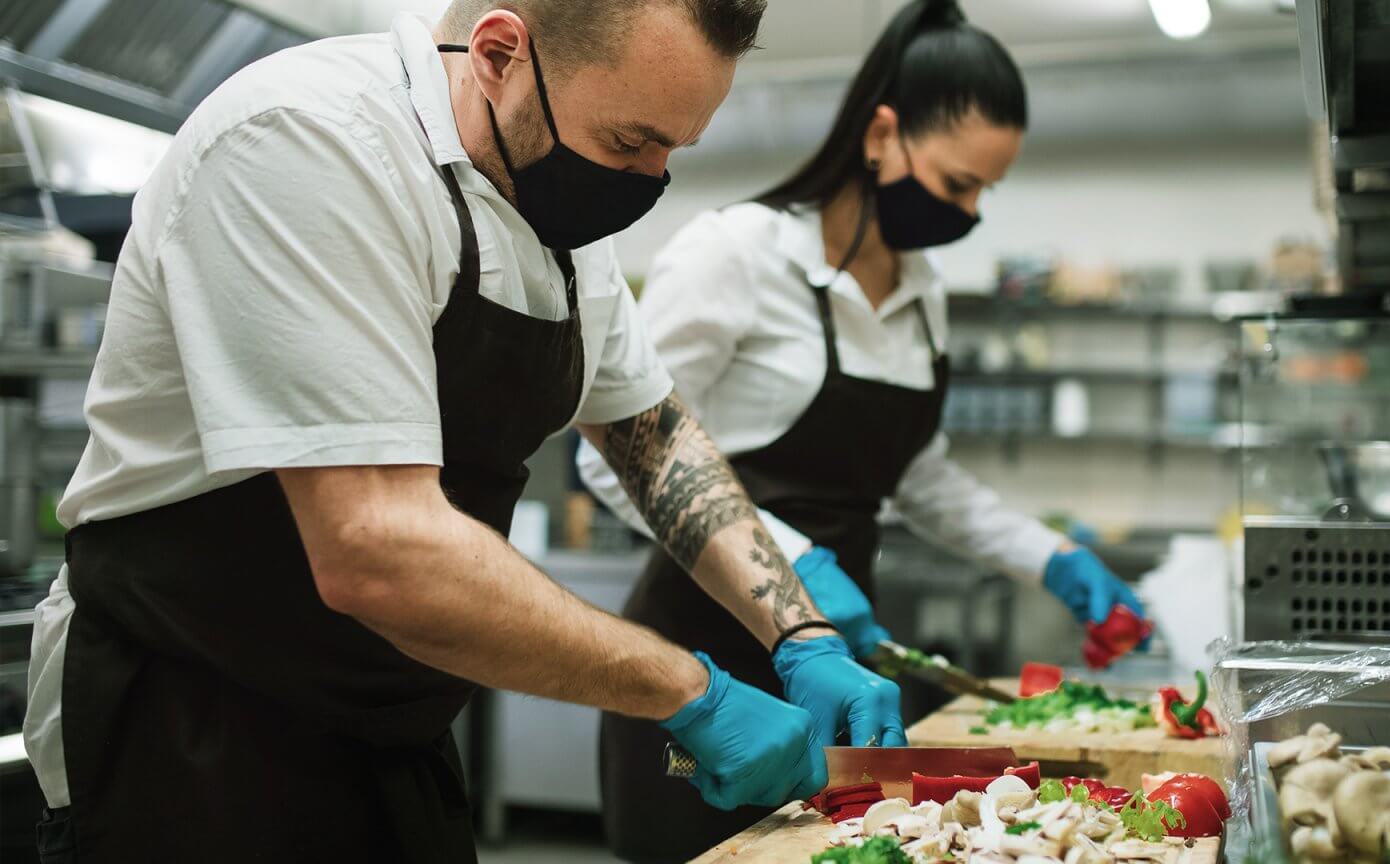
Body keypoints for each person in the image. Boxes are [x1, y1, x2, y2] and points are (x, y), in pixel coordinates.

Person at [21, 1, 904, 861]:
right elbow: (379, 547)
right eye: (631, 141)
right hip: (185, 726)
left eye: (674, 149)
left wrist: (800, 633)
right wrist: (692, 692)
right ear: (496, 53)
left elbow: (653, 437)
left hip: (387, 723)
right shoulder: (309, 140)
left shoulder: (552, 208)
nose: (648, 178)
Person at [579, 0, 1149, 859]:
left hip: (841, 670)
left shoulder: (923, 301)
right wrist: (795, 563)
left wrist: (1055, 559)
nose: (969, 210)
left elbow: (921, 479)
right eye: (958, 184)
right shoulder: (739, 255)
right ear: (881, 136)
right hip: (706, 671)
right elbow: (616, 463)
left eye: (985, 192)